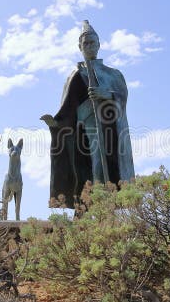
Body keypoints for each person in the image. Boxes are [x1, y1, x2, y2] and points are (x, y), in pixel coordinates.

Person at [41, 20, 135, 209]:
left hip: (110, 132)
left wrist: (106, 94)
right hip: (84, 131)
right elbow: (67, 109)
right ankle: (85, 209)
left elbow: (122, 97)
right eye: (86, 43)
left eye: (93, 43)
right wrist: (56, 124)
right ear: (79, 47)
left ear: (99, 45)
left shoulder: (113, 74)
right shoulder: (75, 75)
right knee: (87, 168)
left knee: (104, 166)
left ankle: (106, 209)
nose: (90, 46)